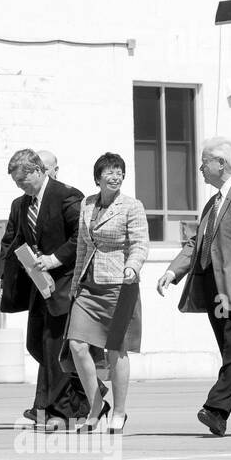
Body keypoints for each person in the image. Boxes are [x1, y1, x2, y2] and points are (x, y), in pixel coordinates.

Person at [156, 137, 231, 436]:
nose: (200, 168)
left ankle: (216, 409)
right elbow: (195, 244)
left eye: (204, 162)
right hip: (215, 292)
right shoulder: (214, 202)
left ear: (220, 163)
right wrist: (173, 272)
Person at [0, 149, 91, 429]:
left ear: (38, 171)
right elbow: (10, 241)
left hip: (66, 280)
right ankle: (84, 394)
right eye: (16, 183)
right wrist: (2, 275)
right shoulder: (21, 204)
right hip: (39, 284)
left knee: (53, 345)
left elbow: (82, 236)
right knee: (36, 344)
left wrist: (55, 258)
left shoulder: (68, 196)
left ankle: (54, 409)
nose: (21, 187)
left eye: (23, 181)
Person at [66, 154, 149, 433]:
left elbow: (140, 243)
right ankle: (97, 405)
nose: (115, 177)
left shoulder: (132, 206)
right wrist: (76, 282)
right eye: (110, 172)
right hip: (89, 285)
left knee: (116, 350)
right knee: (77, 344)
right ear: (98, 177)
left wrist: (132, 267)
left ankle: (120, 412)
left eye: (120, 172)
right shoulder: (87, 204)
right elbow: (82, 247)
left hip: (119, 285)